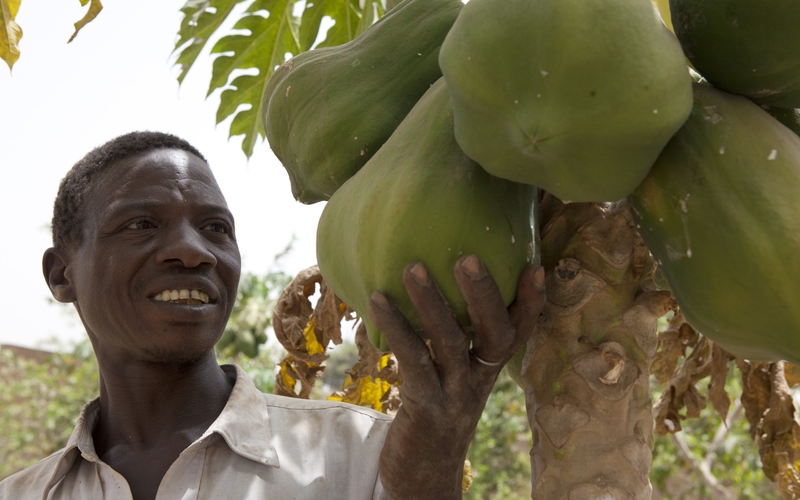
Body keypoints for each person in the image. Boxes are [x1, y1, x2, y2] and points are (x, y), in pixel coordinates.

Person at [0, 131, 545, 500]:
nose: (193, 251)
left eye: (216, 228)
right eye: (141, 224)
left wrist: (430, 477)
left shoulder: (365, 458)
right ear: (61, 275)